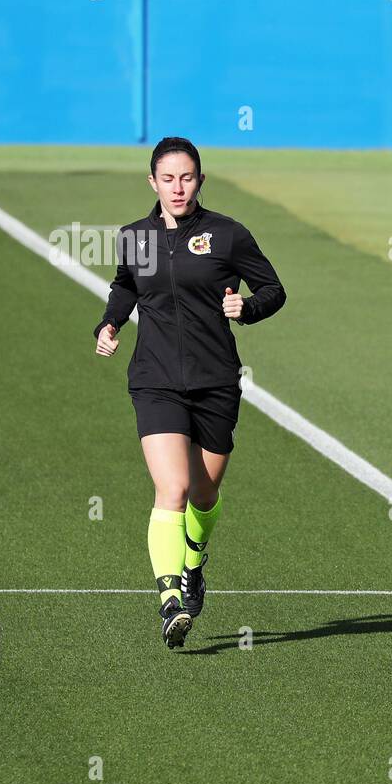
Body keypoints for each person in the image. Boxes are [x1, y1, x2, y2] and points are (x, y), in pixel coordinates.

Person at [95, 137, 287, 648]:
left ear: (200, 180)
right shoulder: (136, 237)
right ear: (152, 182)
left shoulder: (228, 235)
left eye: (187, 178)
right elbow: (126, 285)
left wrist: (246, 309)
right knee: (173, 489)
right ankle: (170, 602)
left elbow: (273, 289)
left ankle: (195, 564)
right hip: (154, 380)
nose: (178, 187)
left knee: (204, 494)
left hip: (216, 381)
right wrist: (110, 323)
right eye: (168, 178)